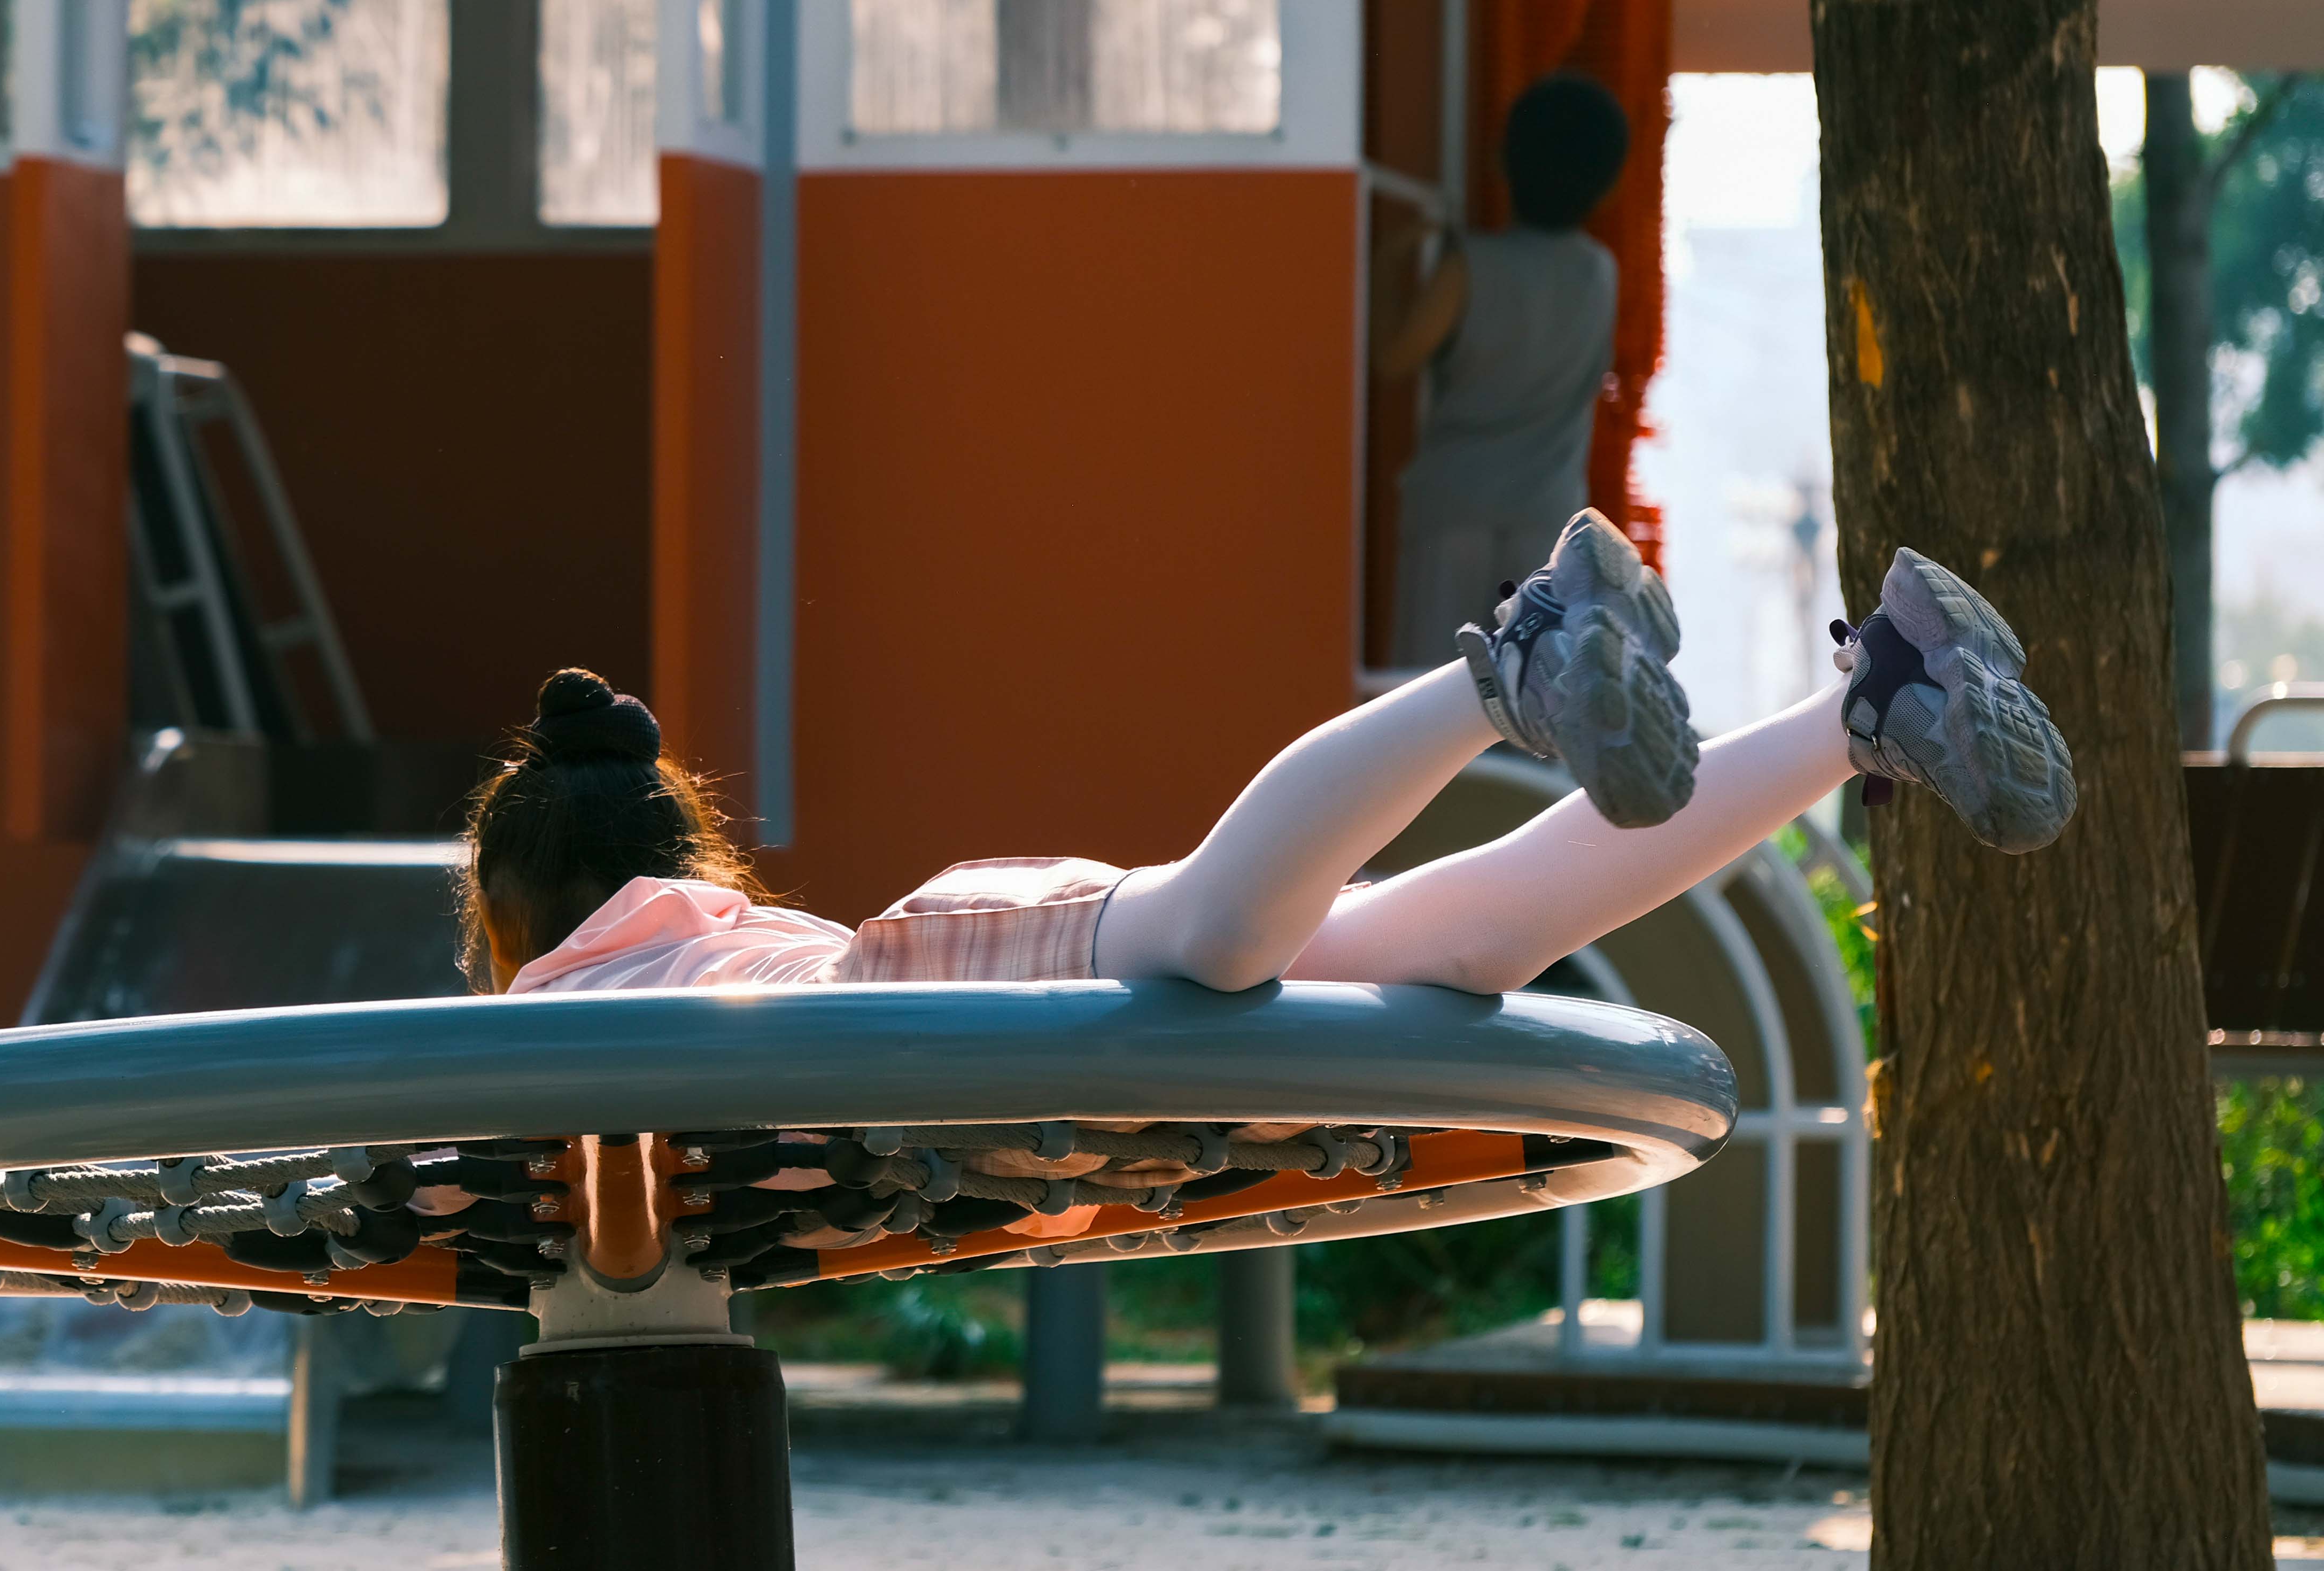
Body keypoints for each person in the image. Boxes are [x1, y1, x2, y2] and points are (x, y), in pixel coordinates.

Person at [462, 512, 2073, 1004]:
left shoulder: (550, 1006)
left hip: (917, 985)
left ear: (516, 917)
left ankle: (1507, 667)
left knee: (1210, 930)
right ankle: (1869, 704)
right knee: (1464, 943)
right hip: (926, 987)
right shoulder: (706, 943)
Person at [1381, 72, 1633, 668]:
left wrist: (1390, 258)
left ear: (1505, 162)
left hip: (1453, 511)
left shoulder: (1469, 266)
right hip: (1549, 524)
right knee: (1535, 702)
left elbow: (1394, 357)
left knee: (1433, 697)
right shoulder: (1600, 274)